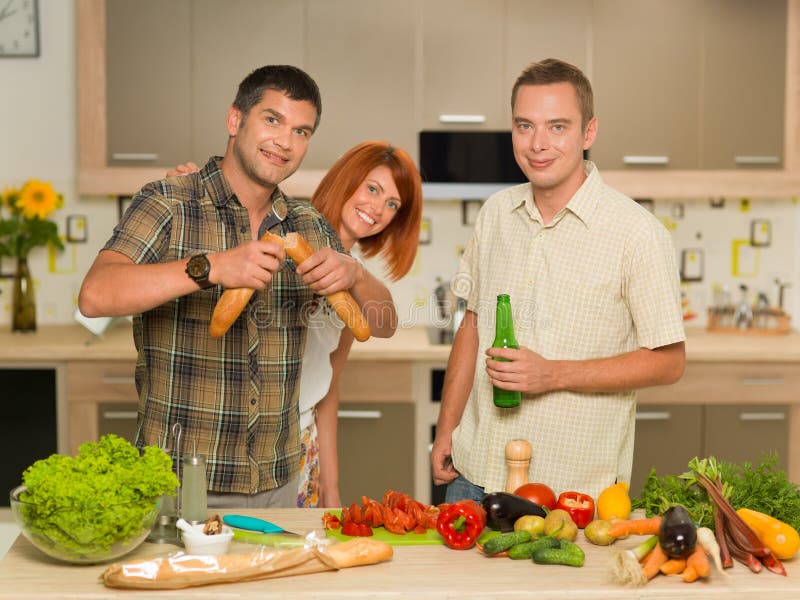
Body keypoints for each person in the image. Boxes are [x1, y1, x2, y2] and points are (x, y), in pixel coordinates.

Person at [78, 65, 398, 509]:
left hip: (279, 486)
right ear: (235, 120)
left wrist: (356, 275)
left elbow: (382, 325)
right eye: (273, 120)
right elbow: (95, 295)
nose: (285, 142)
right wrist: (209, 267)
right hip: (179, 482)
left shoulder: (307, 226)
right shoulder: (169, 201)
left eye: (301, 131)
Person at [430, 58, 686, 504]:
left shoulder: (637, 233)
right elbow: (471, 326)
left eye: (558, 127)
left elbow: (669, 361)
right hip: (473, 472)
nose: (538, 144)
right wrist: (446, 428)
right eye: (525, 126)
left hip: (571, 493)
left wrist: (552, 373)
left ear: (589, 132)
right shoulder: (495, 215)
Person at [169, 141, 423, 507]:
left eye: (392, 205)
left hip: (301, 446)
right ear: (347, 179)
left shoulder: (351, 279)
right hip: (238, 438)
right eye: (372, 188)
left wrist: (332, 488)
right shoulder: (279, 227)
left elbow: (328, 385)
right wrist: (192, 197)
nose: (377, 209)